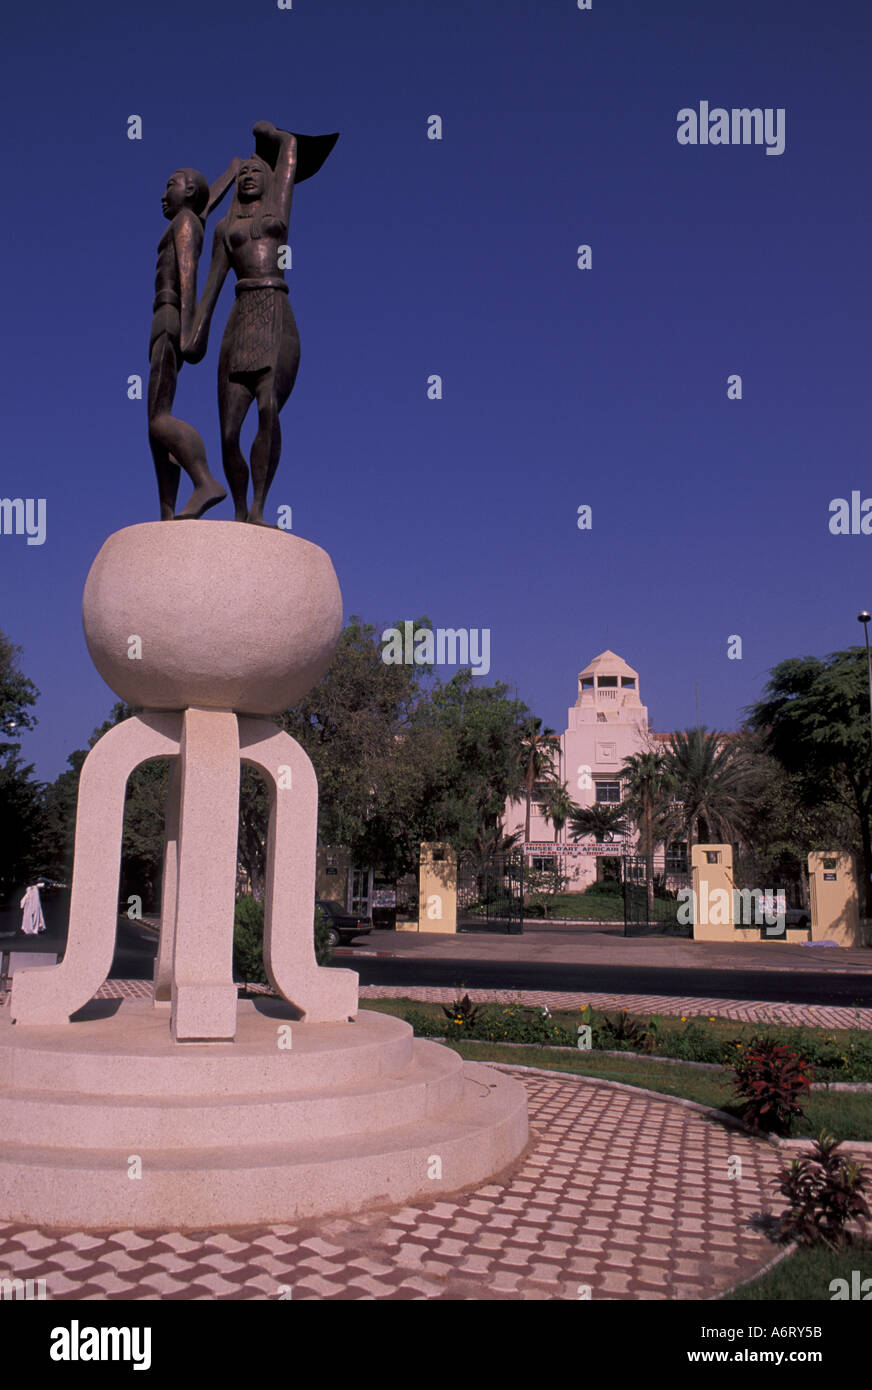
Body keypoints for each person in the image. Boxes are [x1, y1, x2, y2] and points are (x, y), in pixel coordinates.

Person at [184, 121, 337, 524]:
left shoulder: (277, 213)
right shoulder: (224, 230)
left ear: (270, 182)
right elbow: (212, 290)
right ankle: (238, 509)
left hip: (276, 313)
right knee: (229, 431)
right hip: (239, 321)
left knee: (268, 407)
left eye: (258, 172)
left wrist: (267, 132)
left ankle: (258, 508)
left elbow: (289, 151)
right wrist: (194, 337)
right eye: (244, 173)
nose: (250, 177)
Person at [148, 162, 238, 519]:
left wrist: (189, 328)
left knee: (157, 418)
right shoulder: (191, 218)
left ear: (187, 192)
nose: (162, 195)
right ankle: (166, 513)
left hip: (170, 316)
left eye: (170, 184)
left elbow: (189, 273)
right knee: (156, 426)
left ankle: (204, 480)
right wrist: (231, 172)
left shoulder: (183, 223)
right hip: (164, 318)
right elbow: (204, 203)